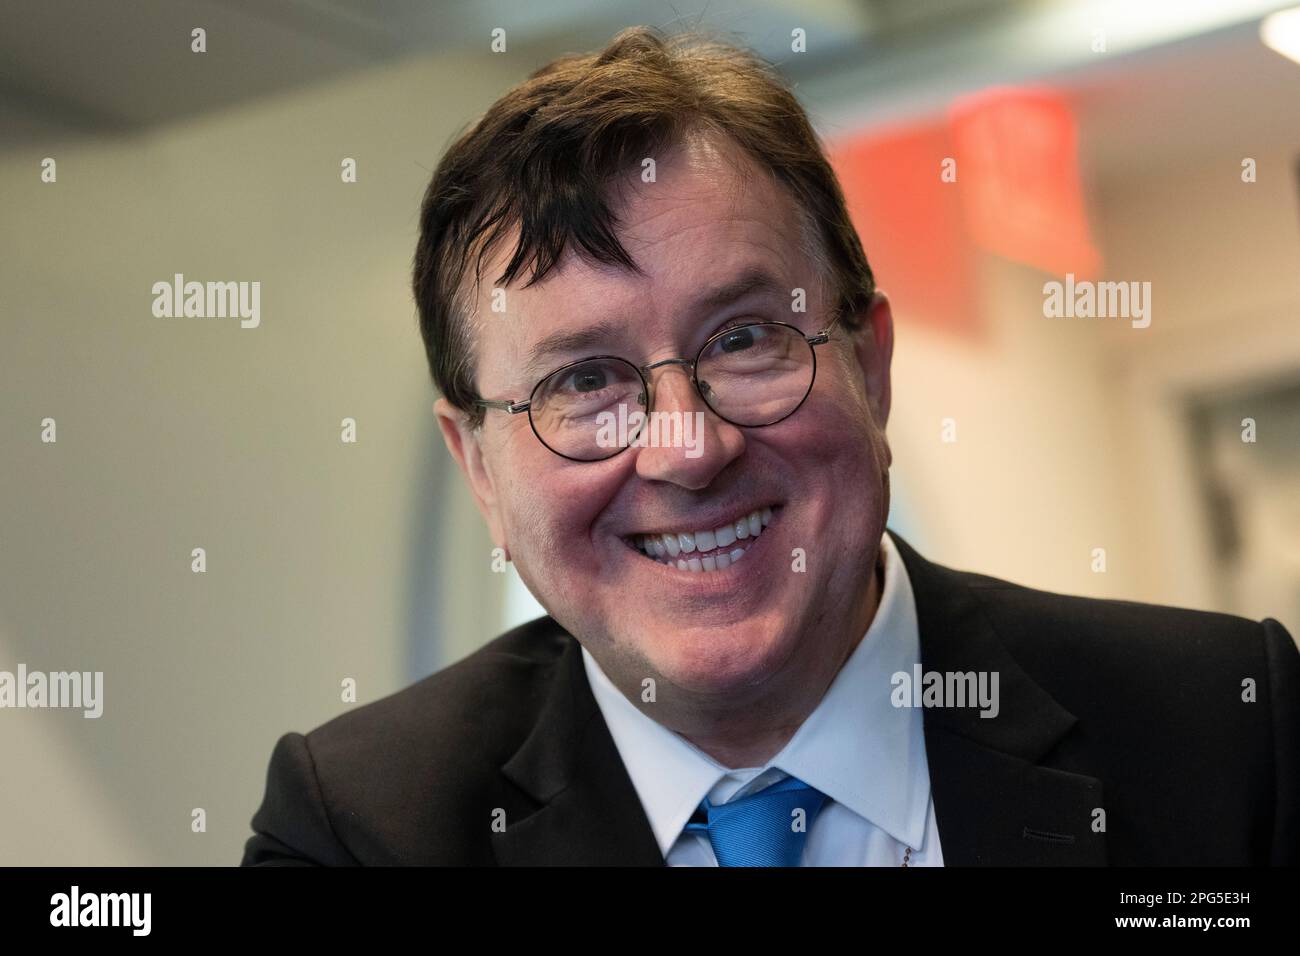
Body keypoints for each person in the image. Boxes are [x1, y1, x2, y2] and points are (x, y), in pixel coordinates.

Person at [242, 26, 1299, 866]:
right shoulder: (360, 832)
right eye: (583, 380)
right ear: (477, 466)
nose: (688, 449)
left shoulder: (1225, 730)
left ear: (870, 365)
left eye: (743, 337)